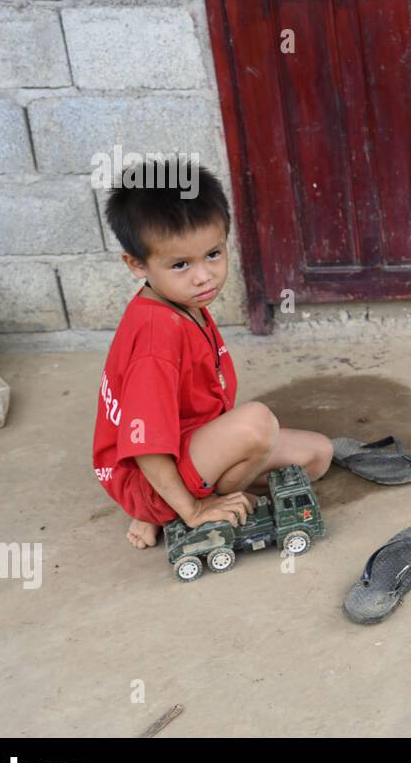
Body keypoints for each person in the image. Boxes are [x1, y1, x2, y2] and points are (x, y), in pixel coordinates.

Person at [92, 160, 332, 549]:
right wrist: (192, 511)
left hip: (191, 447)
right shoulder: (156, 338)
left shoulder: (181, 301)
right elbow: (147, 450)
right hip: (148, 473)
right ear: (137, 264)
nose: (203, 276)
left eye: (213, 254)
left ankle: (197, 496)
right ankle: (170, 509)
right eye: (181, 264)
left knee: (318, 455)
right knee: (256, 424)